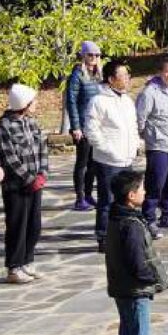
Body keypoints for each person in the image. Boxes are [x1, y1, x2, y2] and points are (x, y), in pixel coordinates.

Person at [103, 168, 162, 335]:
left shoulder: (116, 218)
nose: (145, 192)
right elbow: (138, 264)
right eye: (141, 188)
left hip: (122, 289)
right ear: (130, 195)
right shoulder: (131, 225)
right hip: (134, 291)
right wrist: (152, 278)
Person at [0, 84, 49, 285]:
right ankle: (14, 266)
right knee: (17, 224)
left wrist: (42, 173)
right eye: (33, 101)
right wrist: (29, 179)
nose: (36, 104)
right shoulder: (4, 127)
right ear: (24, 104)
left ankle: (28, 260)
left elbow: (42, 148)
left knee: (34, 224)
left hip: (35, 183)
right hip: (16, 186)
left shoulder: (32, 123)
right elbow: (9, 159)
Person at [85, 61, 139, 247]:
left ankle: (122, 235)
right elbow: (91, 131)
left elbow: (132, 128)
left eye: (127, 75)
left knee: (125, 200)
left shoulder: (127, 101)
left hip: (127, 159)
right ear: (111, 79)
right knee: (107, 200)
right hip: (108, 160)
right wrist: (109, 149)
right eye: (122, 75)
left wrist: (134, 146)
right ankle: (104, 237)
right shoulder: (98, 101)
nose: (127, 79)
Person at [136, 58, 168, 229]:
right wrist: (147, 138)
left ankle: (167, 215)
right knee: (155, 184)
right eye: (167, 71)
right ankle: (149, 218)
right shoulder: (149, 92)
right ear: (161, 72)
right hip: (158, 146)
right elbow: (140, 119)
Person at [63, 43, 103, 211]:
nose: (94, 58)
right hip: (82, 126)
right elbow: (71, 102)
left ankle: (88, 194)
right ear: (83, 56)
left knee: (93, 163)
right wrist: (76, 126)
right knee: (82, 163)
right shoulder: (77, 75)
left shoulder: (98, 75)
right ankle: (80, 198)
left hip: (95, 126)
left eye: (97, 55)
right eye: (90, 55)